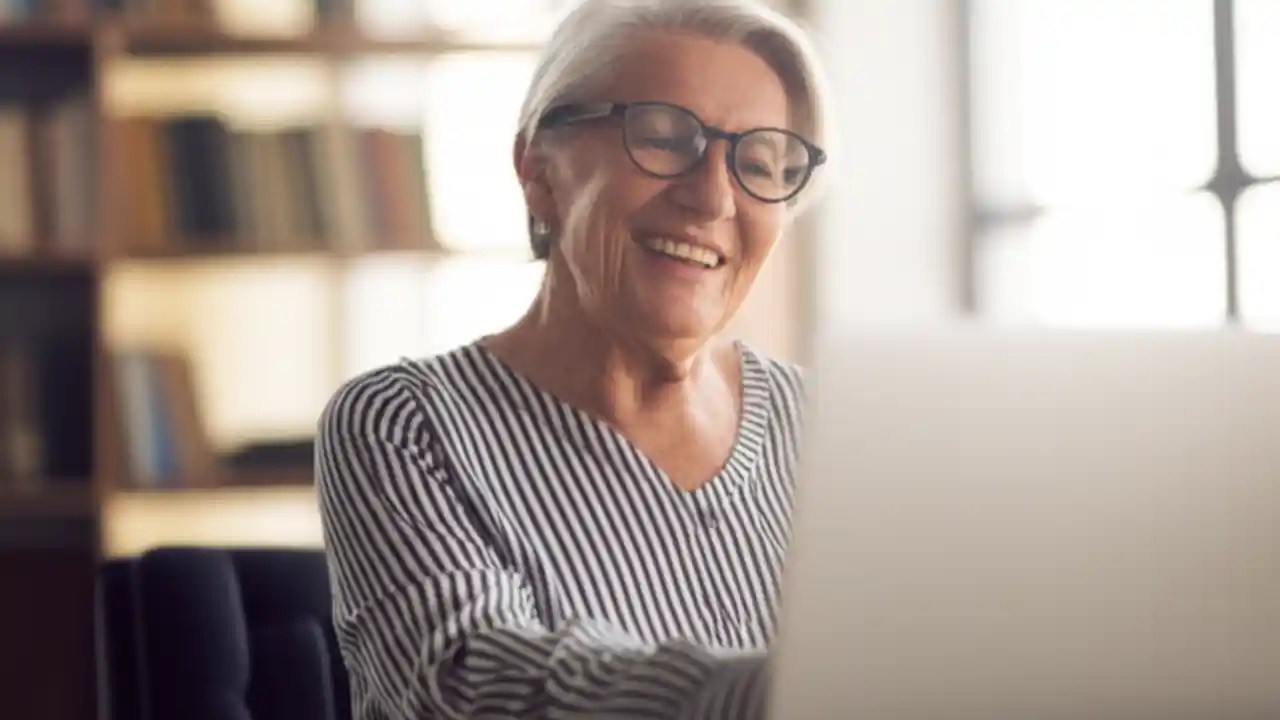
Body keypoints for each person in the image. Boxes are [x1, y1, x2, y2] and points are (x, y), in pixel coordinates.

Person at [316, 0, 831, 717]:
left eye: (760, 163)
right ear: (539, 172)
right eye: (662, 138)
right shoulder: (406, 425)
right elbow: (478, 684)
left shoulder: (826, 429)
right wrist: (800, 691)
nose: (713, 196)